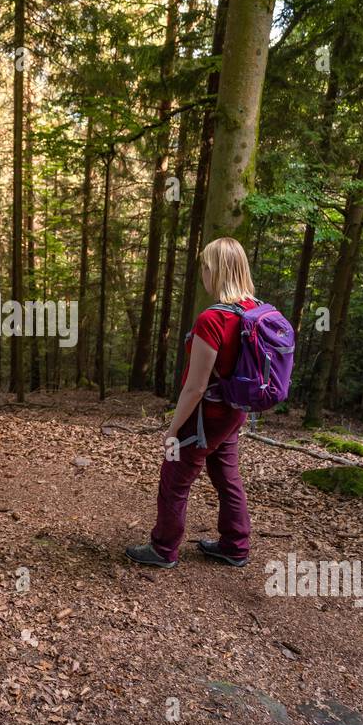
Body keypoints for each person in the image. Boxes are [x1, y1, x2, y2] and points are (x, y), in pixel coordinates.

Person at [125, 236, 257, 568]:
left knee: (174, 476)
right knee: (227, 476)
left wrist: (172, 429)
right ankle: (235, 545)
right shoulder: (254, 310)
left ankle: (162, 548)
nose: (203, 273)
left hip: (205, 416)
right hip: (233, 414)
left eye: (205, 267)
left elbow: (195, 387)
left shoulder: (213, 320)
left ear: (217, 270)